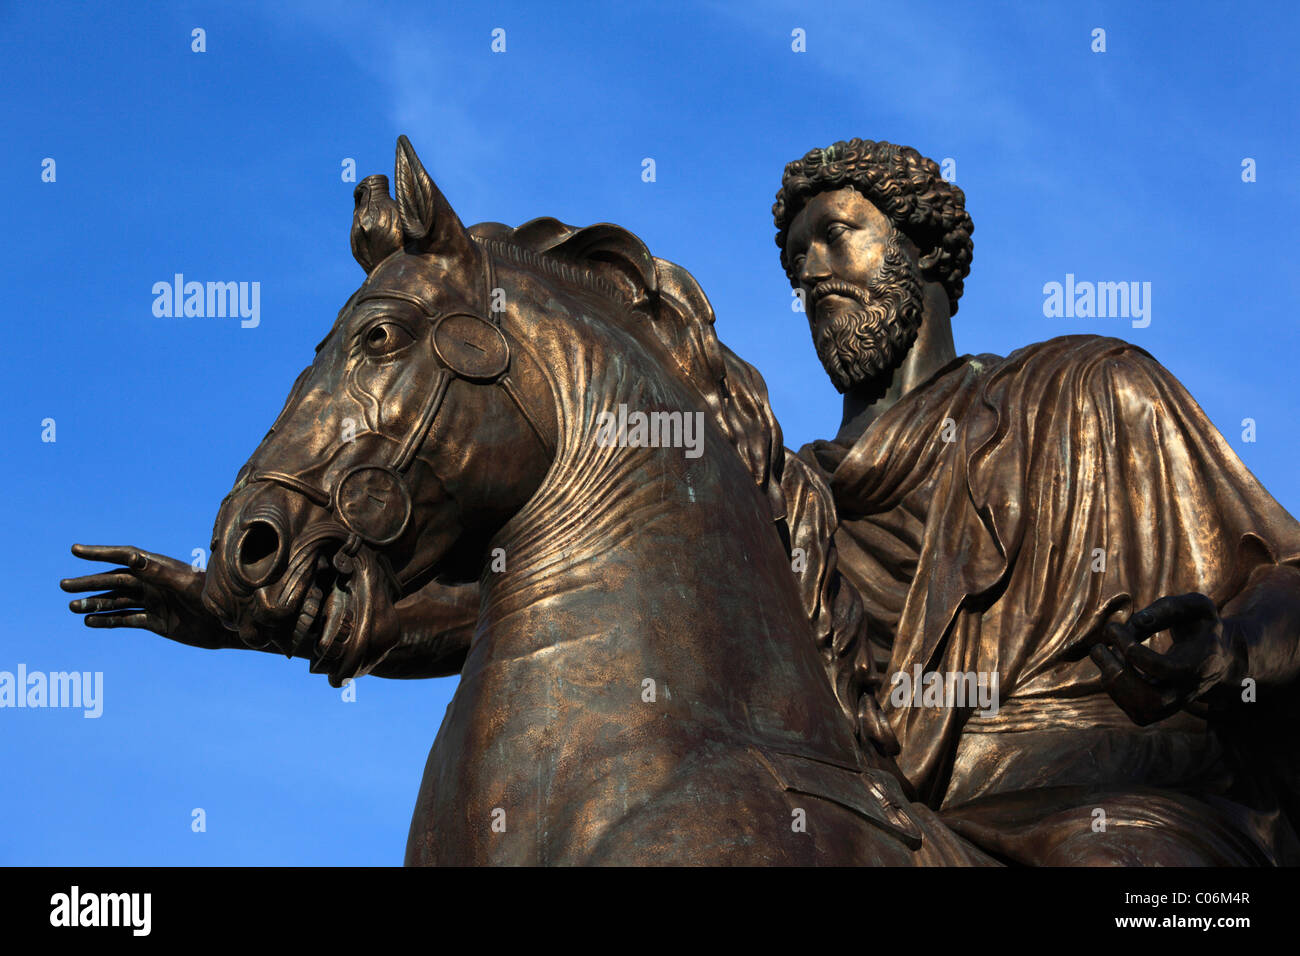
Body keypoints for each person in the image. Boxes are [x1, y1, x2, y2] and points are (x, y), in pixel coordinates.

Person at [775, 138, 1300, 864]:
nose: (809, 270)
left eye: (834, 235)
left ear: (922, 249)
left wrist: (1228, 649)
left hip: (1107, 801)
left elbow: (1286, 572)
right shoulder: (792, 504)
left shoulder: (1091, 392)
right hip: (881, 816)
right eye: (795, 258)